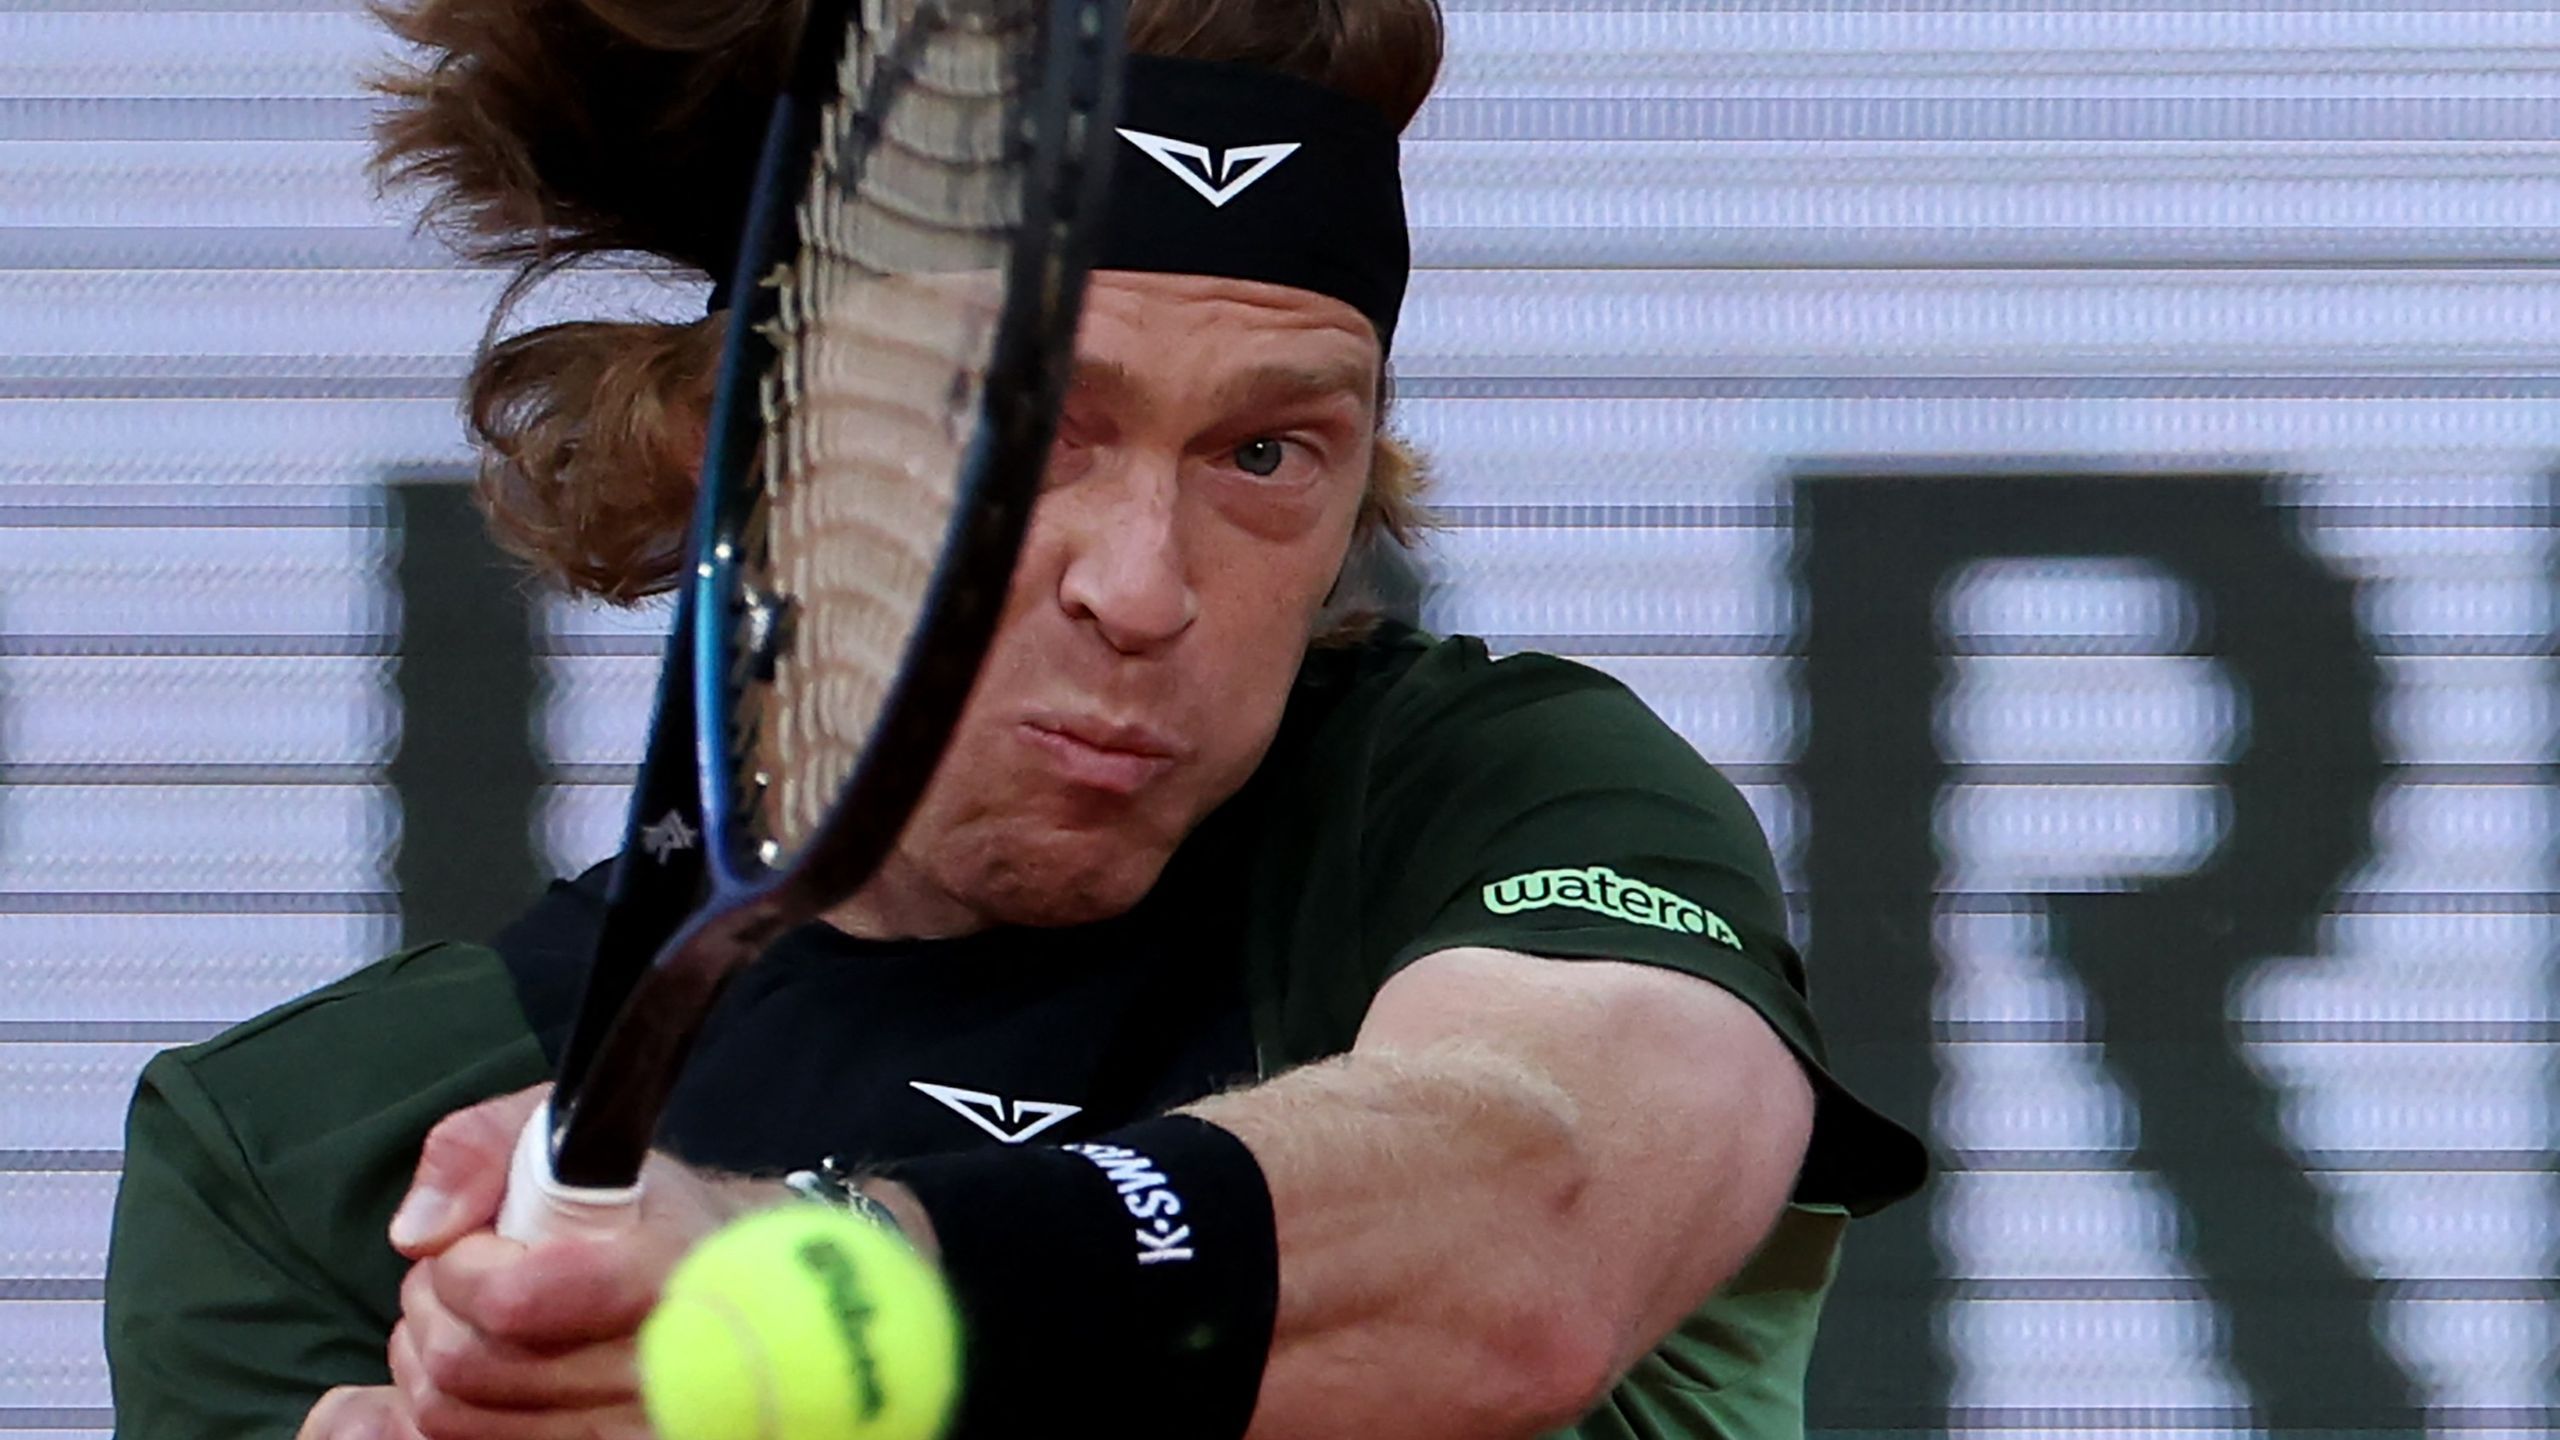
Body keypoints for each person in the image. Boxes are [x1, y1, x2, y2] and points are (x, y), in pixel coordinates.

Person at [103, 1, 1927, 1437]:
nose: (1144, 585)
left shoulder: (1497, 796)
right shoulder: (305, 1151)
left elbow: (1529, 1232)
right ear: (755, 450)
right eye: (1028, 422)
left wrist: (789, 1302)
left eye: (1269, 451)